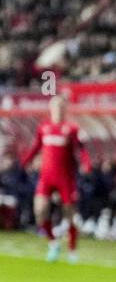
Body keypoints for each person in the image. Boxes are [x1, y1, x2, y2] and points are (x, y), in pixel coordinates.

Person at [21, 95, 92, 263]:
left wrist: (86, 164)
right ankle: (53, 243)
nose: (59, 109)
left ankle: (72, 250)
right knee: (39, 211)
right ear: (51, 108)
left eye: (62, 106)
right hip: (46, 178)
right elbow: (36, 147)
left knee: (70, 215)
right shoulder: (44, 128)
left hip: (66, 179)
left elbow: (81, 150)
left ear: (66, 108)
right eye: (56, 106)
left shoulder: (71, 129)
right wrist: (25, 161)